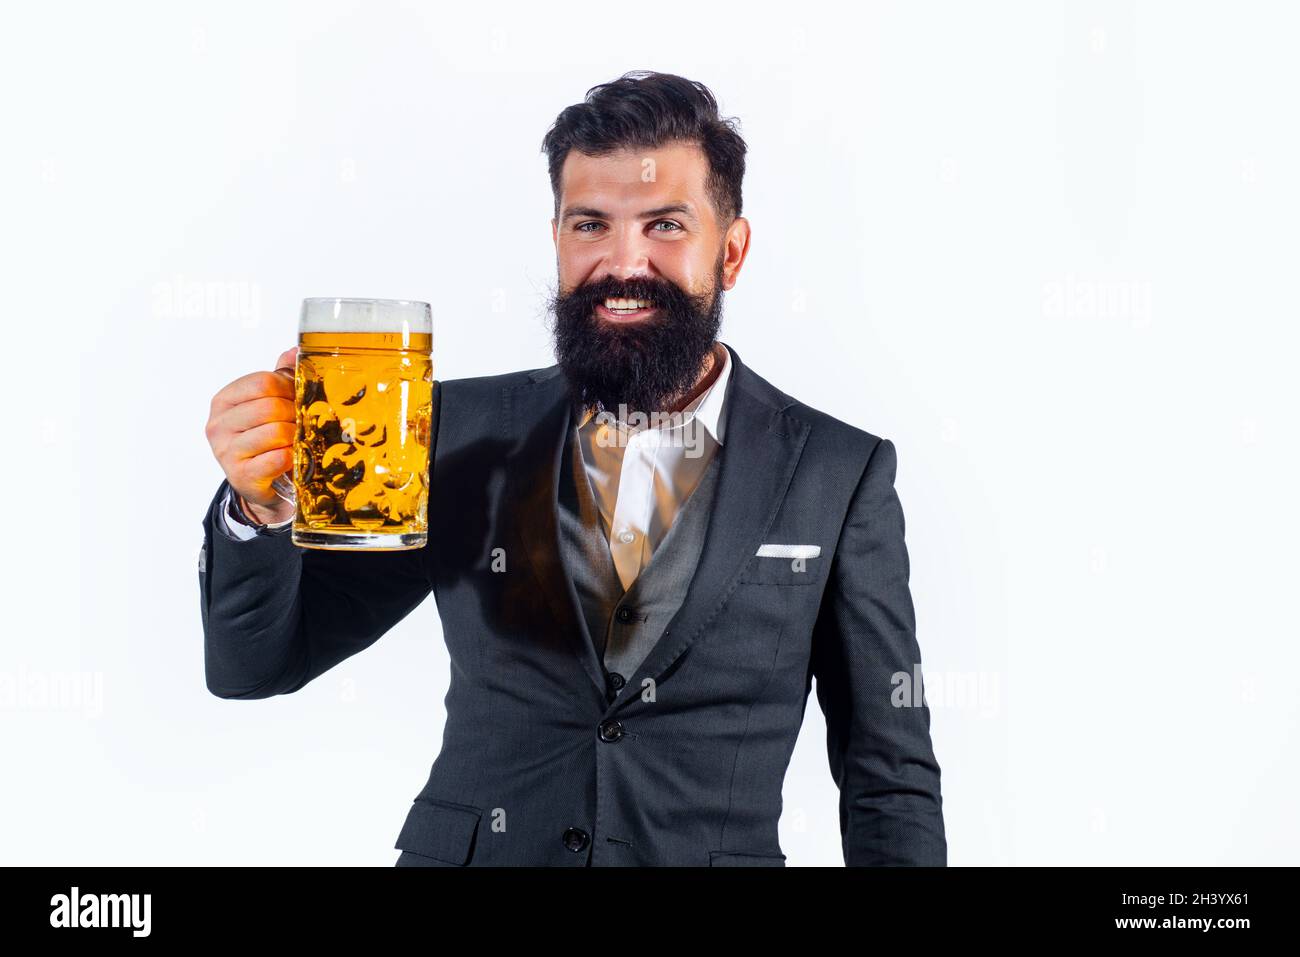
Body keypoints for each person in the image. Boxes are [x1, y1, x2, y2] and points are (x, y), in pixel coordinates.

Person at [200, 70, 946, 867]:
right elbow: (257, 666)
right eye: (591, 224)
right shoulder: (451, 430)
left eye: (665, 225)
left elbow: (886, 778)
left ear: (731, 251)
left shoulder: (838, 471)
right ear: (557, 237)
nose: (624, 262)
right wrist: (264, 505)